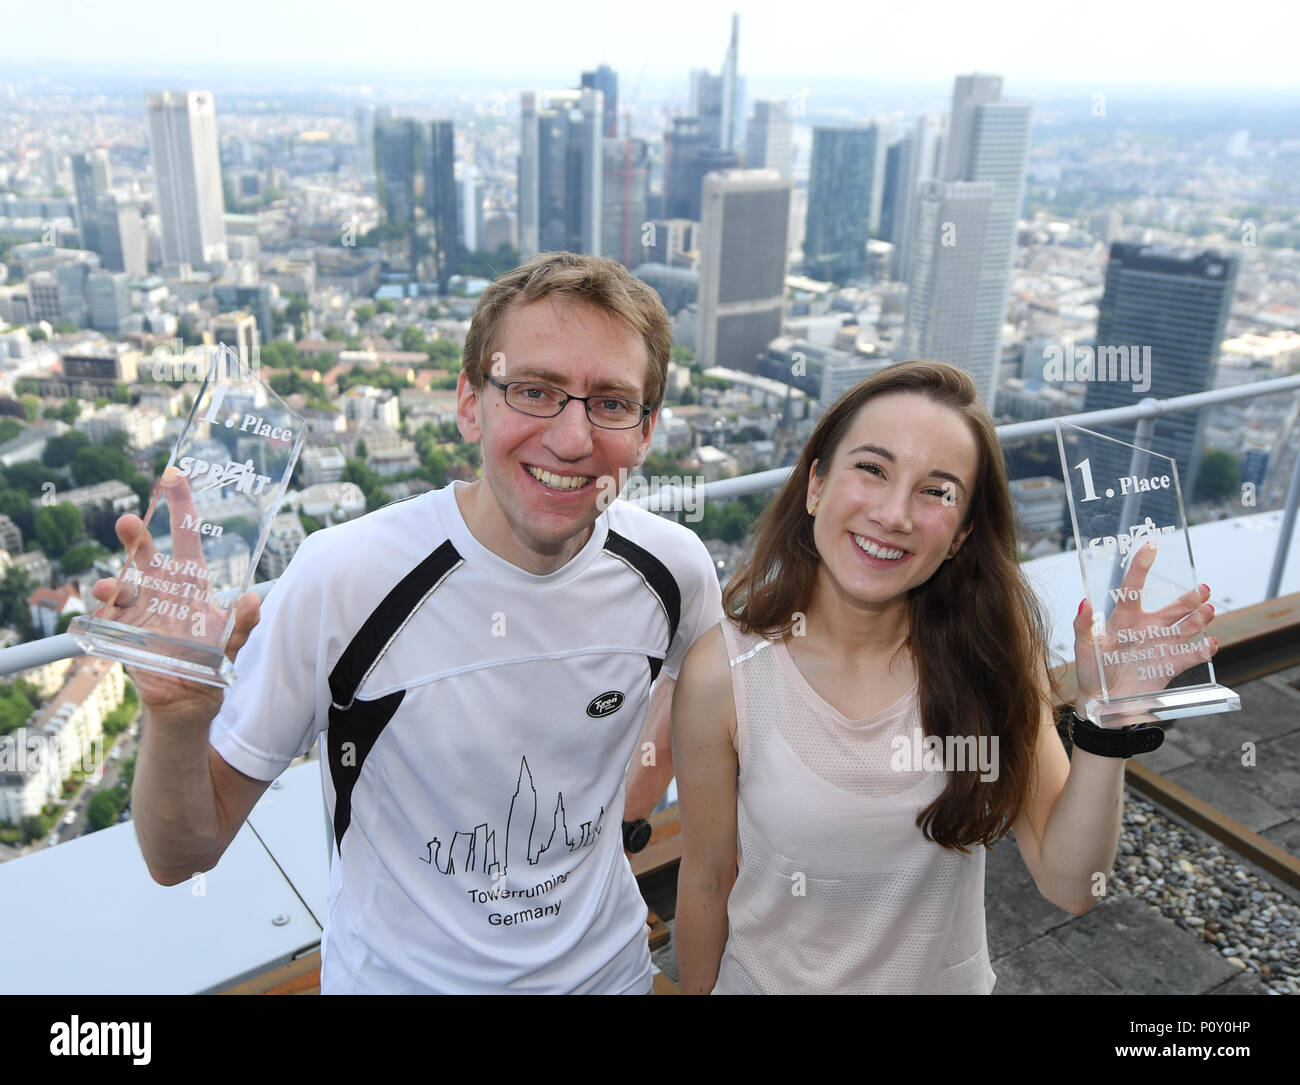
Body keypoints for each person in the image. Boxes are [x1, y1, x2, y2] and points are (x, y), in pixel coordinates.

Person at [98, 252, 723, 994]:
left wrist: (624, 811)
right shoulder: (345, 577)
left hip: (609, 976)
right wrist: (176, 716)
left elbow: (694, 681)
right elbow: (181, 853)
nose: (573, 437)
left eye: (612, 403)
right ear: (470, 402)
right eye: (534, 390)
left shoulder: (672, 566)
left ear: (646, 430)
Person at [671, 361, 1217, 994]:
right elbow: (707, 879)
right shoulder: (726, 671)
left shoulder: (988, 659)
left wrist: (1106, 723)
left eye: (937, 491)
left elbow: (1071, 885)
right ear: (816, 483)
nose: (894, 513)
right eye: (872, 468)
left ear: (961, 536)